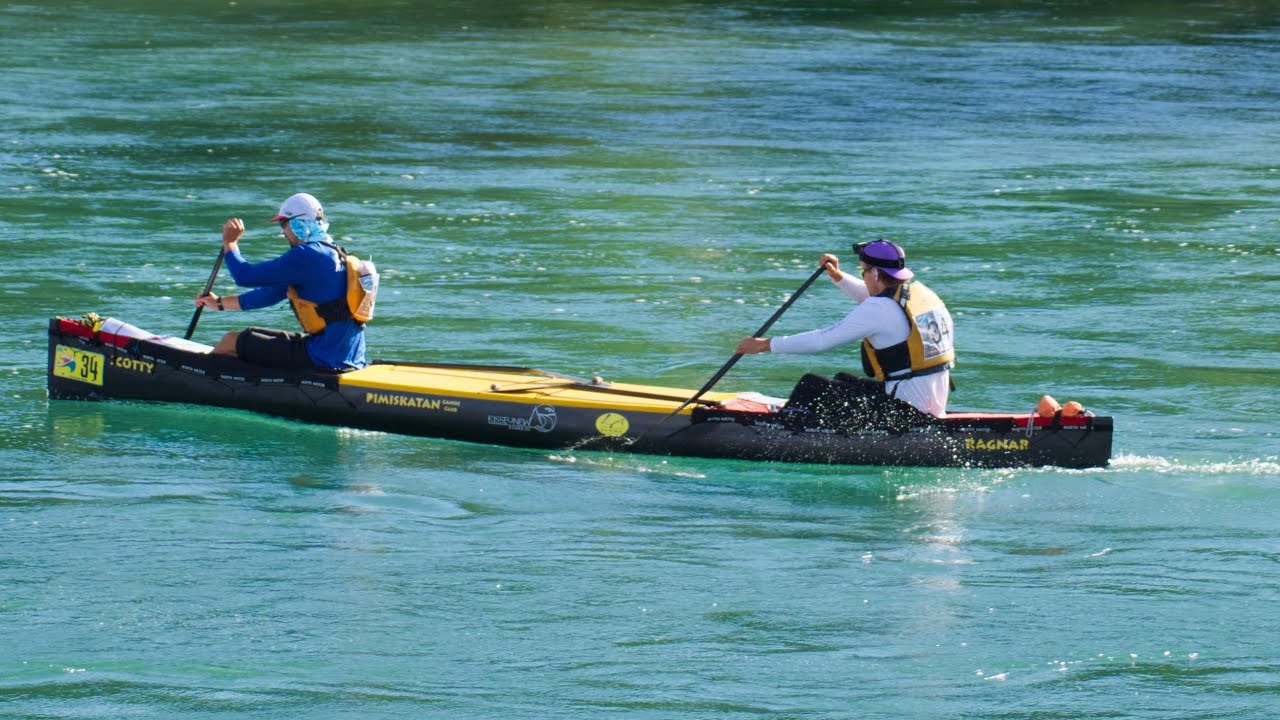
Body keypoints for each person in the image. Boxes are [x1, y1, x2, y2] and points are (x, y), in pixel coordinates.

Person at [735, 239, 954, 420]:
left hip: (906, 412)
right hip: (929, 403)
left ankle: (780, 431)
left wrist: (765, 345)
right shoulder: (919, 294)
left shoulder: (879, 309)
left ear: (876, 274)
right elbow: (876, 301)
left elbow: (823, 340)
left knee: (810, 386)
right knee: (841, 380)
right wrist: (838, 277)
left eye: (864, 271)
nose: (863, 276)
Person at [193, 193, 376, 371]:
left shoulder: (306, 255)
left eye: (283, 223)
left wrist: (230, 244)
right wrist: (218, 303)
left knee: (230, 342)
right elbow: (268, 295)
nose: (283, 231)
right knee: (243, 337)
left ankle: (200, 381)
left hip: (322, 357)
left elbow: (244, 276)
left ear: (297, 223)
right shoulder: (335, 253)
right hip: (348, 355)